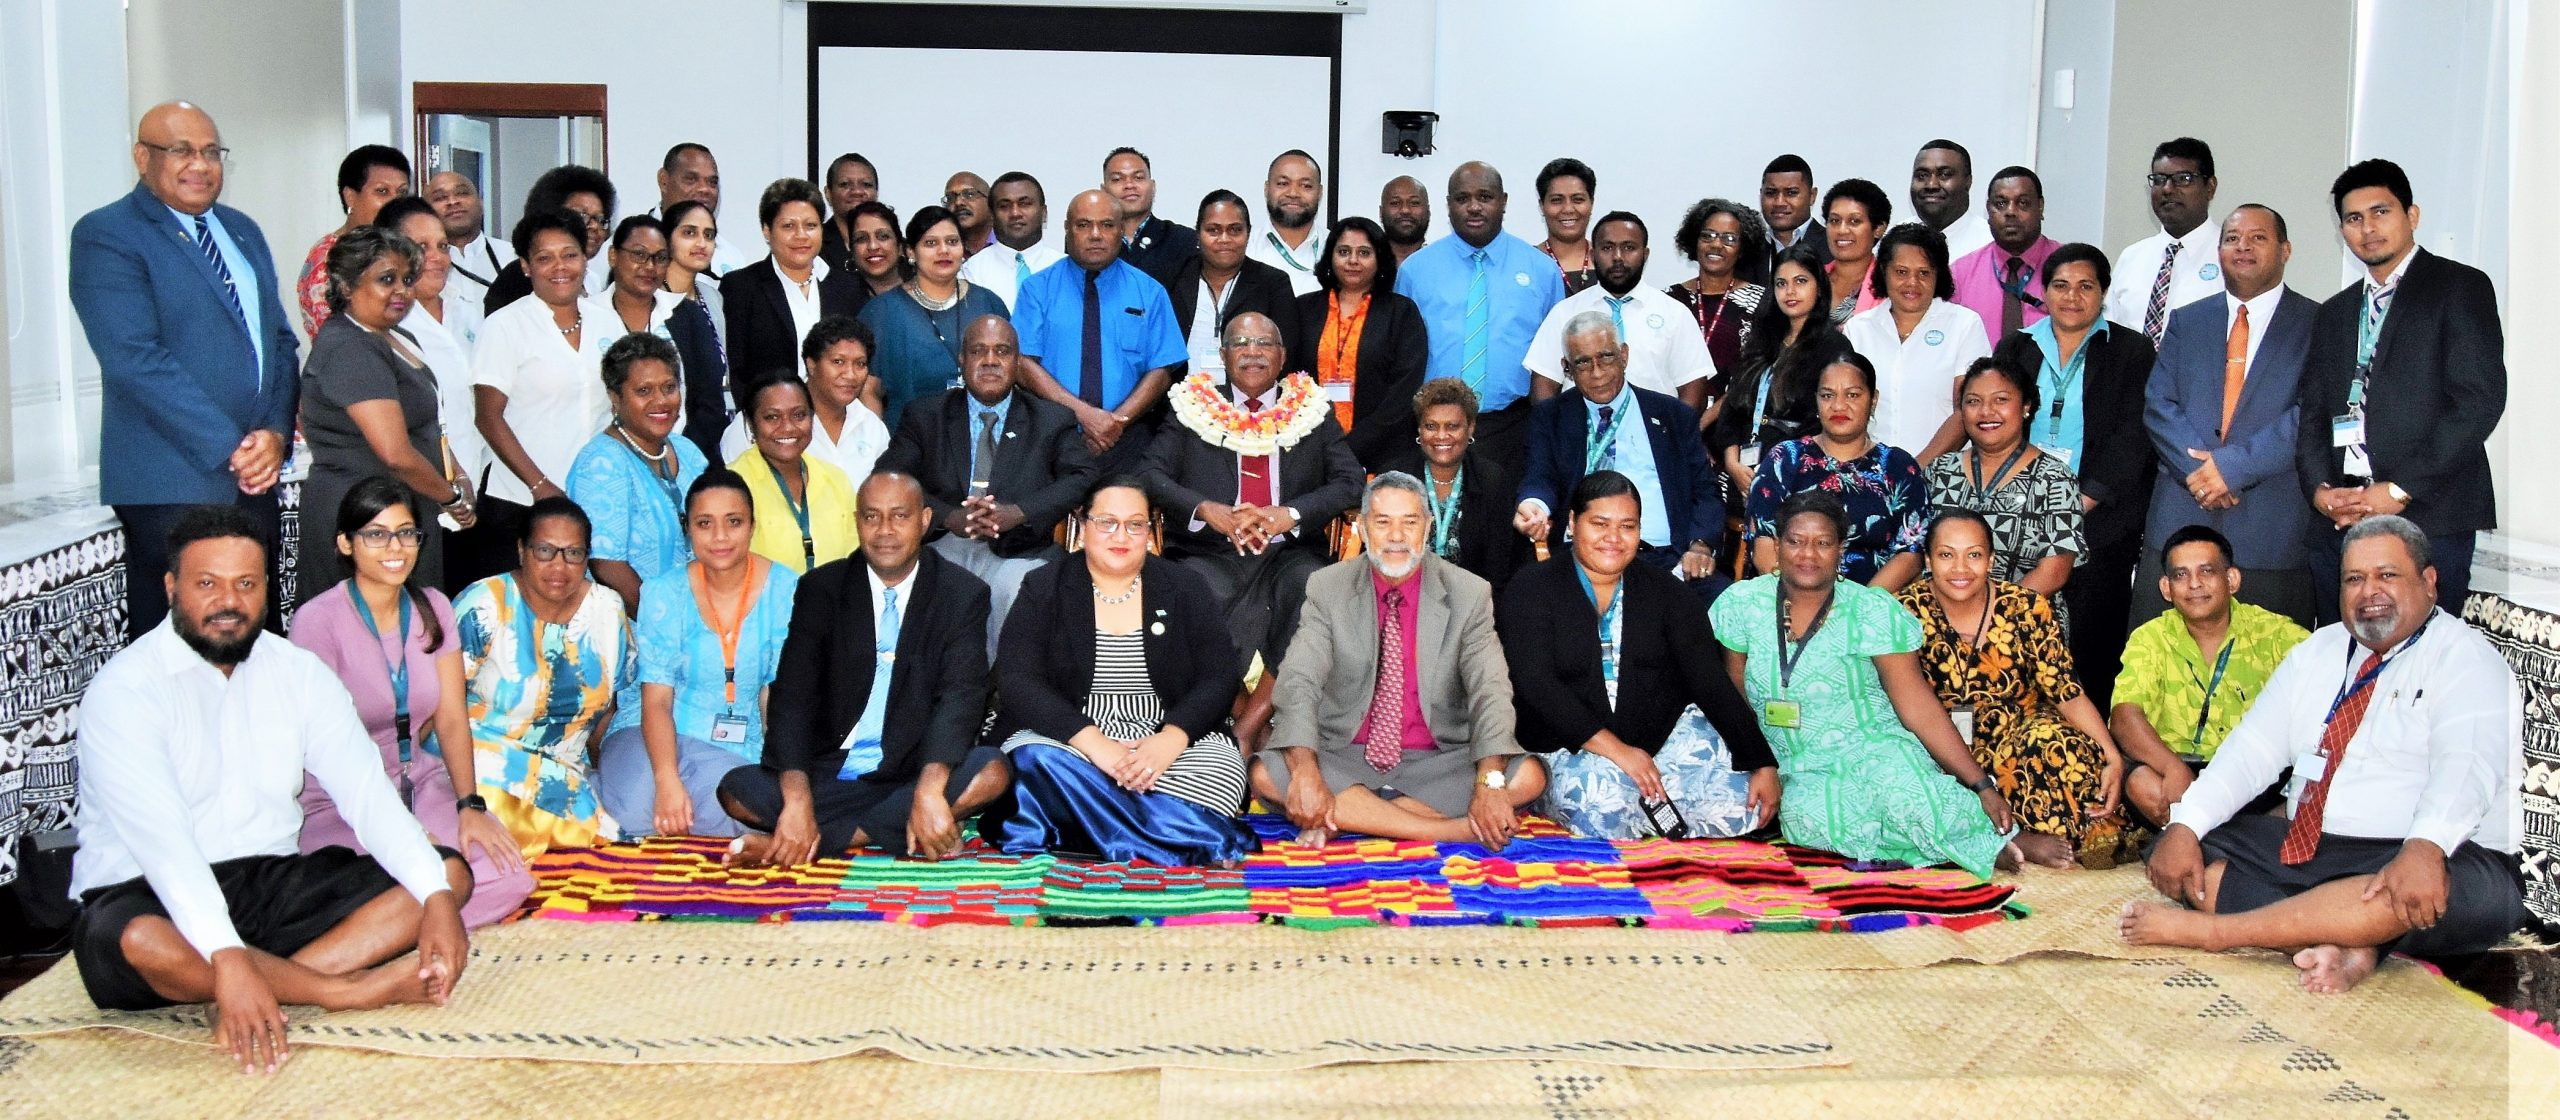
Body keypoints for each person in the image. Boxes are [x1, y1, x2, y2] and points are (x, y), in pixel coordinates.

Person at [69, 506, 471, 1068]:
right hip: (146, 888)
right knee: (135, 939)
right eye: (207, 584)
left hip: (269, 882)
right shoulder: (125, 691)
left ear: (265, 589)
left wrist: (434, 895)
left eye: (246, 584)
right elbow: (163, 845)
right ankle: (337, 989)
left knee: (446, 873)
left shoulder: (297, 673)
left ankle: (255, 984)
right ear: (170, 588)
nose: (228, 602)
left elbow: (366, 794)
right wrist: (226, 953)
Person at [2124, 515, 2528, 994]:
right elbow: (2251, 750)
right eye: (2354, 579)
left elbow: (2467, 767)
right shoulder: (2317, 651)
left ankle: (2220, 933)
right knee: (2191, 852)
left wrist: (2427, 846)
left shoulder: (2465, 658)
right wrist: (2186, 824)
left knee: (2414, 892)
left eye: (2387, 575)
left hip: (2444, 850)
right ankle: (2355, 940)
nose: (2369, 591)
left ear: (2429, 582)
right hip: (2320, 845)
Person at [72, 102, 299, 638]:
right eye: (180, 150)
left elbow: (280, 343)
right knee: (187, 649)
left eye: (210, 151)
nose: (199, 164)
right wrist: (232, 447)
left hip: (253, 478)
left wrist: (273, 433)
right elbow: (134, 357)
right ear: (141, 158)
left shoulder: (241, 230)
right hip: (172, 481)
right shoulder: (109, 233)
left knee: (255, 641)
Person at [1712, 490, 2022, 879]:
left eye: (1823, 543)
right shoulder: (1742, 604)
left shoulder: (1870, 609)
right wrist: (1759, 762)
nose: (1808, 554)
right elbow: (1734, 691)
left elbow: (1917, 704)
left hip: (1871, 745)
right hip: (1793, 762)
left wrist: (1980, 784)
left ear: (1841, 550)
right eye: (1796, 541)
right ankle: (1950, 845)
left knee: (1908, 797)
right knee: (1810, 822)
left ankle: (1991, 838)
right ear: (1777, 546)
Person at [715, 472, 1010, 866]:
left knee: (992, 771)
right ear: (857, 522)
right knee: (736, 790)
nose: (884, 531)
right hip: (832, 771)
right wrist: (798, 800)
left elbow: (961, 697)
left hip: (911, 770)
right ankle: (887, 829)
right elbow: (792, 698)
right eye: (871, 517)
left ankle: (811, 843)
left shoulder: (961, 594)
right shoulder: (822, 589)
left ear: (924, 521)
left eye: (899, 516)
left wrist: (927, 790)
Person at [1254, 474, 1546, 847]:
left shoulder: (1469, 592)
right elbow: (1298, 682)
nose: (1396, 536)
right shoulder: (1328, 586)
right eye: (1382, 522)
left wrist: (1489, 781)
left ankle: (1349, 817)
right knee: (1267, 772)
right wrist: (1308, 770)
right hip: (1344, 754)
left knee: (1527, 775)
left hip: (1437, 760)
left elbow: (1490, 690)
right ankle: (1445, 830)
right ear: (1362, 526)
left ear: (1427, 526)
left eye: (1409, 522)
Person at [291, 478, 530, 928]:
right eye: (376, 534)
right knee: (411, 874)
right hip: (341, 800)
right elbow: (321, 745)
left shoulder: (434, 607)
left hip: (417, 783)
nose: (395, 546)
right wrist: (392, 828)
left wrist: (469, 807)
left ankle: (389, 928)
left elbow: (453, 720)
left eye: (406, 532)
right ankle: (395, 922)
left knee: (510, 877)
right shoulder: (316, 622)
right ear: (346, 543)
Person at [983, 477, 1255, 864]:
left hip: (1166, 739)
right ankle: (1190, 834)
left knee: (1223, 771)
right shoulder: (1044, 586)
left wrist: (1170, 740)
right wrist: (1096, 745)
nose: (1120, 535)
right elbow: (1018, 680)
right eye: (1107, 522)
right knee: (1032, 761)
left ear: (1151, 529)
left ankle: (1088, 826)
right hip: (1071, 740)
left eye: (1135, 524)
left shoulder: (1185, 586)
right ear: (1082, 523)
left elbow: (1219, 675)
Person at [1501, 471, 1778, 840]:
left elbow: (1710, 681)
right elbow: (1537, 686)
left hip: (1660, 742)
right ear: (1572, 523)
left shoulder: (1668, 593)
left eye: (1627, 526)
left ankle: (1654, 812)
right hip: (1571, 746)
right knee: (1604, 809)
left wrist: (1760, 760)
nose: (1613, 539)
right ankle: (1644, 813)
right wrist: (1618, 752)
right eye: (1599, 524)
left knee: (1746, 802)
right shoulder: (1531, 588)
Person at [2297, 159, 2507, 621]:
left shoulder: (2458, 287)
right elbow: (2312, 413)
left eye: (2381, 212)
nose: (2368, 228)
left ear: (2412, 216)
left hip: (2430, 516)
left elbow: (2478, 401)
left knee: (2420, 666)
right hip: (2342, 520)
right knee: (2346, 664)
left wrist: (2398, 488)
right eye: (2354, 219)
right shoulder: (2335, 311)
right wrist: (2320, 491)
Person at [1897, 510, 2126, 868]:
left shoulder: (2026, 607)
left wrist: (2111, 755)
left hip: (2015, 736)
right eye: (1946, 555)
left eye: (1973, 554)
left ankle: (2009, 833)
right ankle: (2013, 836)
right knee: (1907, 779)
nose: (1960, 568)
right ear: (1927, 560)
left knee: (2056, 743)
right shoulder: (1903, 611)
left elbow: (2067, 691)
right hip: (1938, 742)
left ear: (1990, 560)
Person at [1145, 312, 1365, 679]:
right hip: (1211, 551)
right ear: (1223, 355)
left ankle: (1253, 724)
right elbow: (1149, 475)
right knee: (1190, 592)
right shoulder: (1189, 407)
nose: (1253, 353)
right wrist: (1205, 509)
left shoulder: (1312, 409)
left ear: (1282, 356)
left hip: (1288, 552)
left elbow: (1350, 481)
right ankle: (1221, 711)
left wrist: (1291, 514)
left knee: (1313, 587)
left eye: (1264, 343)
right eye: (1241, 344)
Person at [1992, 241, 2158, 704]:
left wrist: (2075, 504)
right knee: (2016, 640)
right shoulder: (2016, 346)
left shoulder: (2130, 350)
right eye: (2060, 285)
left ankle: (2090, 753)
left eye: (2086, 286)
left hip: (2099, 523)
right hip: (2017, 520)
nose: (2072, 296)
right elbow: (1996, 421)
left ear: (2103, 293)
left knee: (2089, 648)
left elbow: (2134, 435)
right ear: (2044, 291)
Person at [2143, 205, 2322, 628]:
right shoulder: (2188, 320)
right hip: (2182, 516)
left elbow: (2312, 412)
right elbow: (2158, 404)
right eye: (2232, 238)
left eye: (2258, 238)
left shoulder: (2318, 323)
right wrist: (2200, 473)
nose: (2243, 247)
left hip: (2270, 528)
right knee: (2161, 675)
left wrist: (2232, 468)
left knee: (2269, 678)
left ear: (2286, 250)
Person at [595, 469, 798, 840]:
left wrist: (779, 769)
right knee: (634, 815)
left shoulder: (785, 589)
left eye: (733, 522)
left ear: (753, 525)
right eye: (705, 523)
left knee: (763, 806)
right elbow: (656, 702)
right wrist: (667, 779)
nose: (720, 537)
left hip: (739, 740)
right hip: (651, 729)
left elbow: (776, 694)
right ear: (688, 528)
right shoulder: (663, 593)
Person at [880, 315, 1094, 656]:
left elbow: (1082, 477)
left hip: (1019, 549)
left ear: (1017, 362)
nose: (991, 360)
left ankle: (1001, 693)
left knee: (1018, 589)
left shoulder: (1052, 419)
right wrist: (947, 515)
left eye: (1002, 351)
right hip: (943, 542)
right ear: (962, 360)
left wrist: (1020, 512)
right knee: (927, 588)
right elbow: (889, 479)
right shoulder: (925, 415)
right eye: (979, 351)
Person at [296, 226, 473, 603]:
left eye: (407, 279)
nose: (402, 291)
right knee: (363, 642)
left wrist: (454, 469)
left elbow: (424, 424)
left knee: (411, 635)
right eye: (386, 279)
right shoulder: (349, 347)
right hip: (363, 518)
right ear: (346, 285)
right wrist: (451, 497)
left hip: (402, 511)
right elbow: (395, 453)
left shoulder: (392, 336)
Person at [455, 497, 636, 856]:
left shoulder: (607, 609)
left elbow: (606, 709)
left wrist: (605, 777)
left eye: (573, 554)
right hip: (479, 758)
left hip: (564, 769)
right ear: (521, 550)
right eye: (545, 550)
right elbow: (439, 704)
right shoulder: (484, 604)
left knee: (603, 826)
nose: (559, 566)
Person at [2110, 525, 2310, 829]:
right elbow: (2125, 717)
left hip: (2251, 775)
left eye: (2207, 571)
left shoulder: (2278, 635)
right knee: (2139, 782)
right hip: (2176, 771)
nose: (2194, 584)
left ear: (2231, 580)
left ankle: (2199, 835)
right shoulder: (2150, 638)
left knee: (2307, 790)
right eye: (2180, 575)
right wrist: (2172, 767)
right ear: (2166, 588)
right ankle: (2233, 838)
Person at [1516, 312, 1720, 584]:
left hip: (1666, 561)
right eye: (1583, 362)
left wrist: (1700, 546)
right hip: (1583, 559)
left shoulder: (1672, 415)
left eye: (1606, 357)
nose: (1597, 373)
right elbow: (1540, 476)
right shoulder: (1551, 417)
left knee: (1723, 601)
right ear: (1567, 368)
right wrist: (1534, 507)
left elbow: (1705, 491)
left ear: (1624, 355)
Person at [1395, 161, 1567, 469]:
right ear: (1449, 206)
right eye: (1462, 199)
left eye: (1485, 197)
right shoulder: (1415, 271)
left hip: (1512, 427)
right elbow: (1399, 354)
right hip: (1434, 429)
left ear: (1504, 202)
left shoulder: (1541, 270)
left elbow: (1555, 357)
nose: (1474, 207)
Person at [1010, 188, 1188, 472]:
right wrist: (1084, 415)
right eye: (1084, 225)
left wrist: (1115, 423)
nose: (1095, 234)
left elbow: (1162, 368)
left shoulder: (1149, 291)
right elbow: (1023, 363)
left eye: (1106, 225)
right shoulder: (1037, 289)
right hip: (1052, 438)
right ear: (1067, 229)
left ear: (1120, 230)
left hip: (1128, 438)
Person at [473, 208, 607, 576]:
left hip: (594, 499)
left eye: (570, 255)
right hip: (521, 501)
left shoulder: (607, 321)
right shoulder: (504, 326)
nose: (559, 267)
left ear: (585, 258)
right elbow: (487, 415)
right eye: (544, 258)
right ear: (526, 266)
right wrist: (539, 485)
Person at [375, 196, 490, 597]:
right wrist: (450, 488)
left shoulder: (470, 308)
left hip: (479, 497)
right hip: (419, 502)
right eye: (421, 247)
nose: (437, 257)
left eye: (442, 245)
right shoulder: (385, 327)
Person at [1743, 353, 1928, 588]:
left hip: (1872, 608)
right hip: (1789, 599)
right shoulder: (1785, 459)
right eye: (1828, 395)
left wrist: (1855, 608)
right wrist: (1803, 600)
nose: (1838, 406)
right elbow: (1763, 545)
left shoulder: (1899, 467)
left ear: (1873, 400)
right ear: (1816, 401)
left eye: (1852, 395)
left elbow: (1911, 553)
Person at [1924, 357, 2085, 617]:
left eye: (2000, 400)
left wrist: (1985, 616)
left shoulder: (2055, 478)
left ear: (2026, 407)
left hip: (2021, 622)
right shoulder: (1940, 471)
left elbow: (2054, 571)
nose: (1986, 411)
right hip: (1939, 622)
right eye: (1973, 401)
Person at [567, 333, 710, 614]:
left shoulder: (688, 452)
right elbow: (607, 566)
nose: (661, 401)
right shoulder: (601, 464)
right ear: (615, 398)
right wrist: (663, 625)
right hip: (634, 628)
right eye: (643, 391)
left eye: (669, 387)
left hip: (699, 619)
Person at [1528, 212, 1716, 412]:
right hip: (1581, 438)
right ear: (1593, 255)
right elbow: (1543, 386)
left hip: (1655, 435)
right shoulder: (1565, 313)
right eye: (1607, 248)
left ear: (1645, 255)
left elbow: (1693, 390)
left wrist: (1671, 437)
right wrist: (1559, 437)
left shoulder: (1675, 314)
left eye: (1629, 248)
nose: (1617, 257)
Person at [1843, 223, 1990, 466]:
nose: (1912, 283)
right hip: (1868, 472)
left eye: (1924, 273)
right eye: (1901, 272)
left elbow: (1966, 410)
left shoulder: (1964, 325)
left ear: (1938, 275)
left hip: (1942, 473)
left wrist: (1915, 469)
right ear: (1883, 271)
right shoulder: (1858, 329)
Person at [1709, 244, 1853, 488]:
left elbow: (1825, 419)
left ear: (1818, 288)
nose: (1790, 291)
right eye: (1781, 283)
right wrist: (1733, 462)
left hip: (1799, 475)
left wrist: (1774, 466)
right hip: (1742, 472)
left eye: (1800, 281)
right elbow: (1732, 408)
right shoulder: (1762, 339)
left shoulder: (1834, 346)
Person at [1293, 216, 1429, 470]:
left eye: (1364, 253)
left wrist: (1350, 447)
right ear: (1330, 257)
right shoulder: (1303, 309)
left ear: (1380, 260)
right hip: (1309, 450)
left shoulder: (1401, 313)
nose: (1353, 261)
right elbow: (1291, 378)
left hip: (1385, 453)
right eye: (1344, 252)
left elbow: (1404, 392)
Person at [585, 216, 725, 462]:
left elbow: (709, 403)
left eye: (660, 258)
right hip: (604, 459)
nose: (649, 266)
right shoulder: (586, 315)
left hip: (679, 458)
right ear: (613, 256)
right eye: (639, 255)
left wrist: (678, 456)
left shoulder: (687, 315)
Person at [860, 204, 1010, 429]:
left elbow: (1012, 377)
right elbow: (868, 391)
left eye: (952, 241)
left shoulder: (988, 303)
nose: (944, 251)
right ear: (910, 251)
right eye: (931, 243)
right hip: (909, 443)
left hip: (983, 442)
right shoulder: (881, 312)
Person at [1382, 378, 1529, 593]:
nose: (1441, 436)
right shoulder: (1394, 479)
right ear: (1419, 430)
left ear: (1470, 428)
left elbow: (1498, 567)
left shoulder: (1492, 480)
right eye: (1431, 426)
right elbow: (1380, 557)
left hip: (1471, 602)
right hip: (1403, 597)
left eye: (1452, 426)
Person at [723, 178, 867, 389]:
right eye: (788, 226)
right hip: (768, 415)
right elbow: (737, 369)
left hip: (836, 414)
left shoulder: (848, 288)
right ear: (766, 231)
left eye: (810, 226)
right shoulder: (740, 287)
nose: (801, 235)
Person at [721, 314, 892, 486]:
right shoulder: (759, 420)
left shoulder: (871, 426)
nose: (850, 374)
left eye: (860, 364)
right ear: (811, 364)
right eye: (838, 362)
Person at [1158, 190, 1300, 383]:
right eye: (1213, 230)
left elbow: (1285, 356)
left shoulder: (1273, 283)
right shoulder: (1172, 278)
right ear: (1198, 234)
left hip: (1248, 406)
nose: (1224, 239)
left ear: (1248, 233)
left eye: (1235, 230)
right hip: (1176, 403)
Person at [729, 375, 859, 574]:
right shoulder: (732, 486)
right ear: (750, 422)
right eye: (772, 417)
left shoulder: (835, 479)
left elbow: (855, 561)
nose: (788, 426)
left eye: (799, 415)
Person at [2104, 137, 2223, 347]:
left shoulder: (2231, 256)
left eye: (2183, 179)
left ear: (2210, 187)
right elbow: (2110, 334)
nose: (2167, 189)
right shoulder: (2132, 257)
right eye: (2159, 179)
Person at [298, 144, 411, 338]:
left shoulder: (398, 250)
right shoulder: (329, 259)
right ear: (350, 197)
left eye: (401, 192)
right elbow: (341, 339)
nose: (395, 202)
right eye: (382, 191)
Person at [1666, 197, 1768, 404]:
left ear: (1743, 248)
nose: (1716, 244)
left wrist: (1704, 421)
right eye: (1707, 236)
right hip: (1674, 418)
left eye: (1729, 239)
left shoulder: (1762, 301)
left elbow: (1758, 374)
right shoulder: (1669, 300)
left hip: (1735, 424)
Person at [1948, 167, 2060, 345]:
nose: (2010, 212)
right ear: (1988, 210)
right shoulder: (1960, 273)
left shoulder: (2068, 267)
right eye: (2000, 204)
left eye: (2022, 203)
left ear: (2040, 206)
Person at [480, 165, 614, 314]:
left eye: (600, 219)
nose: (595, 226)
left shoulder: (592, 280)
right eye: (582, 216)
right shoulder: (516, 280)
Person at [661, 200, 734, 457]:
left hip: (719, 434)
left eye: (709, 235)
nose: (701, 243)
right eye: (689, 233)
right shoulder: (651, 300)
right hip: (671, 437)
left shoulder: (713, 296)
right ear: (667, 239)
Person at [958, 171, 1064, 311]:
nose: (1015, 213)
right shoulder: (971, 272)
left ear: (1044, 213)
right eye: (1004, 206)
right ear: (992, 215)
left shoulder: (1066, 269)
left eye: (1025, 204)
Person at [425, 170, 511, 335]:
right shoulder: (421, 266)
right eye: (440, 198)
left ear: (481, 202)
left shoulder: (513, 256)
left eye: (462, 193)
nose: (453, 202)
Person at [648, 142, 750, 276]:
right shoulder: (631, 244)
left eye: (712, 182)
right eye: (691, 179)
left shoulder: (731, 257)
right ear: (664, 181)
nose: (704, 189)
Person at [1104, 147, 1199, 277]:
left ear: (1153, 186)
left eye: (1138, 177)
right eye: (1117, 179)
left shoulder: (1183, 240)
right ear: (1104, 190)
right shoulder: (1092, 240)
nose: (1129, 185)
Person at [1249, 149, 1325, 295]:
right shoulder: (1246, 247)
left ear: (1320, 192)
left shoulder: (1335, 248)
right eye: (1283, 183)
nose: (1293, 193)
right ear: (1266, 188)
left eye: (1306, 186)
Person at [1820, 179, 1892, 324]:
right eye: (1834, 220)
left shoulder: (1890, 286)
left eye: (1854, 221)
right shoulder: (1811, 279)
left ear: (1878, 228)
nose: (1842, 230)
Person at [1909, 140, 1990, 259]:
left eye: (1944, 174)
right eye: (1922, 176)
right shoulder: (1890, 241)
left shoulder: (1990, 243)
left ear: (1968, 182)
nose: (1931, 185)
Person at [1533, 158, 1600, 295]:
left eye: (1578, 200)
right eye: (1557, 200)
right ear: (1542, 206)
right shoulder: (1527, 262)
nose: (1568, 209)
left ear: (1591, 203)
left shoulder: (1608, 260)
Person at [816, 152, 880, 276]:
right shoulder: (811, 245)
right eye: (845, 184)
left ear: (876, 193)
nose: (856, 191)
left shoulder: (898, 248)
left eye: (866, 184)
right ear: (828, 193)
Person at [1759, 155, 1826, 263]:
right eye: (1770, 193)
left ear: (1812, 196)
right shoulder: (1748, 251)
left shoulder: (1833, 246)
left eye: (1791, 193)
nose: (1779, 202)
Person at [838, 200, 907, 300]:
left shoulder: (926, 292)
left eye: (883, 236)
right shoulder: (836, 298)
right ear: (852, 250)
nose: (873, 246)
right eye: (861, 238)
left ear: (900, 247)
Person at [1379, 174, 1431, 264]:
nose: (1405, 210)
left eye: (1414, 203)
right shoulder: (1367, 266)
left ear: (1428, 211)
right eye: (1395, 203)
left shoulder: (1443, 263)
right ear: (1381, 212)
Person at [943, 171, 994, 255]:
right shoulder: (944, 251)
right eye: (951, 198)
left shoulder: (1011, 243)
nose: (958, 202)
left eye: (969, 194)